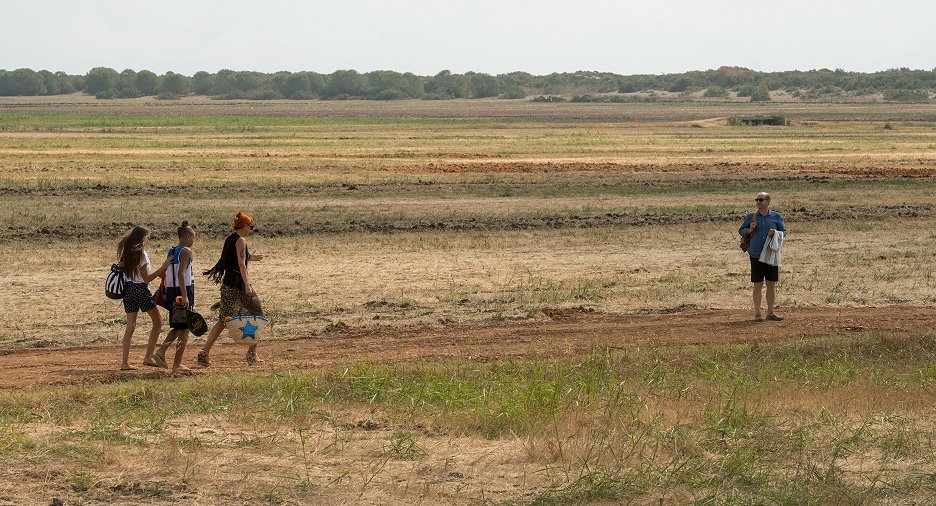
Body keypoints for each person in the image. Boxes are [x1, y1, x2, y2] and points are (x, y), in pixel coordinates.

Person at [197, 211, 265, 366]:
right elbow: (241, 264)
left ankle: (204, 352)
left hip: (228, 284)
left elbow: (236, 259)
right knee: (257, 315)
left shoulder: (230, 239)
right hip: (239, 285)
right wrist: (247, 285)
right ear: (245, 225)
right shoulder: (241, 240)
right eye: (250, 226)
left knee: (223, 320)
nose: (250, 229)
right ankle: (252, 354)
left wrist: (250, 257)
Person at [116, 225, 171, 370]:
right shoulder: (142, 254)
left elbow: (139, 274)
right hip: (140, 289)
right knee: (158, 323)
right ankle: (148, 356)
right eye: (147, 238)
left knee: (130, 326)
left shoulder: (126, 253)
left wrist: (160, 273)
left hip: (128, 290)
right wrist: (164, 267)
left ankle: (125, 362)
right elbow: (146, 279)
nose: (148, 240)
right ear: (142, 239)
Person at [153, 221, 197, 376]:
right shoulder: (186, 251)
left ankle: (161, 351)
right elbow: (180, 273)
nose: (193, 240)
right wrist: (185, 295)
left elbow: (165, 272)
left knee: (179, 326)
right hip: (182, 291)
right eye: (193, 237)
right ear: (186, 236)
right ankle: (176, 364)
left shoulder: (172, 250)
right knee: (184, 328)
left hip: (172, 291)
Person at [739, 192, 787, 322]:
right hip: (755, 254)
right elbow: (741, 230)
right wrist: (749, 230)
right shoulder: (751, 216)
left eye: (761, 200)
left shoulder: (776, 217)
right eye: (757, 200)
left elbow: (784, 231)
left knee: (771, 283)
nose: (758, 202)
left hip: (771, 254)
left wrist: (776, 233)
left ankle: (770, 313)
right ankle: (758, 313)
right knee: (758, 283)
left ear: (768, 201)